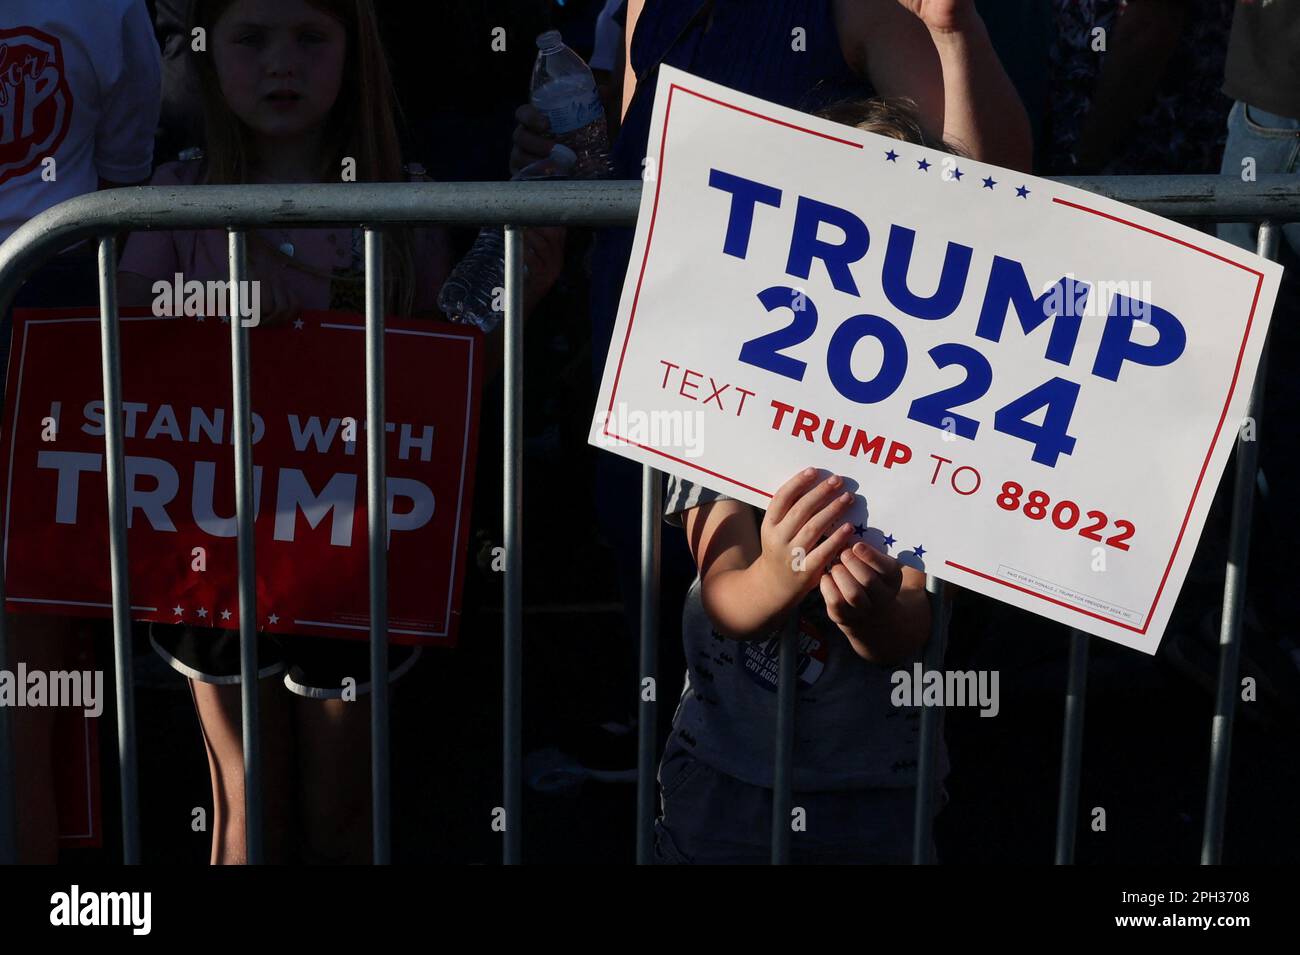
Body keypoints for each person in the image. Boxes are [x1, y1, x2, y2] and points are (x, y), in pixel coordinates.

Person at [509, 0, 1031, 775]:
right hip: (661, 353)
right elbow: (629, 157)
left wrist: (955, 38)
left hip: (826, 373)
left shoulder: (860, 9)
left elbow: (985, 201)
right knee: (649, 573)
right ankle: (673, 763)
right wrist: (568, 161)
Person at [115, 0, 561, 863]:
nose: (282, 63)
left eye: (310, 38)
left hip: (357, 553)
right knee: (248, 814)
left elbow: (444, 367)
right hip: (213, 552)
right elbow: (124, 324)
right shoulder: (179, 196)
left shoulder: (406, 201)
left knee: (343, 813)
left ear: (353, 54)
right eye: (252, 38)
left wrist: (520, 292)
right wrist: (216, 301)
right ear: (207, 54)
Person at [653, 98, 957, 865]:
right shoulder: (717, 400)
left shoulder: (946, 441)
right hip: (726, 777)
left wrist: (866, 611)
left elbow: (910, 627)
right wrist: (781, 569)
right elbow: (725, 594)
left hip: (874, 791)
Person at [0, 0, 161, 863]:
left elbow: (123, 173)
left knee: (33, 648)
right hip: (56, 304)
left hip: (54, 321)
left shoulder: (104, 8)